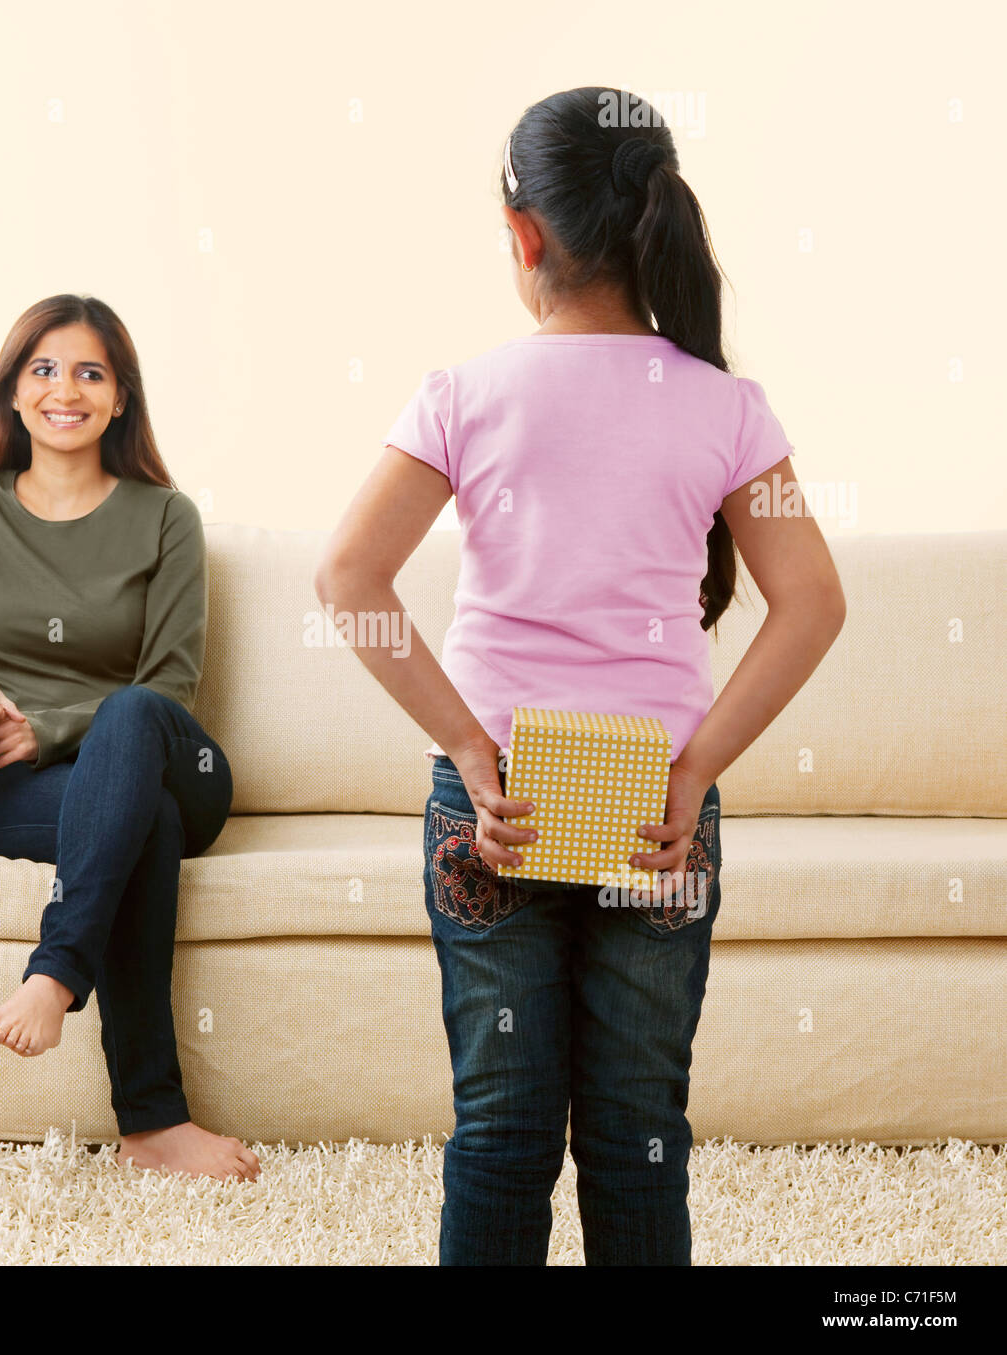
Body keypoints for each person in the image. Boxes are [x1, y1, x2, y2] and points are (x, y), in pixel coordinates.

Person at [314, 87, 846, 1264]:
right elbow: (814, 602)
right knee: (637, 1129)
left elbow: (349, 577)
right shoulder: (726, 405)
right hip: (652, 805)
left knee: (502, 1129)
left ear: (524, 236)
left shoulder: (462, 393)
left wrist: (463, 742)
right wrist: (694, 764)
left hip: (494, 798)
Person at [0, 293, 260, 1183]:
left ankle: (53, 975)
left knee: (134, 719)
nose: (67, 388)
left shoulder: (164, 516)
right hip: (18, 796)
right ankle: (153, 1123)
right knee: (146, 829)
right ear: (13, 391)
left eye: (91, 372)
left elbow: (170, 684)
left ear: (119, 399)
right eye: (46, 368)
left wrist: (46, 726)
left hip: (170, 761)